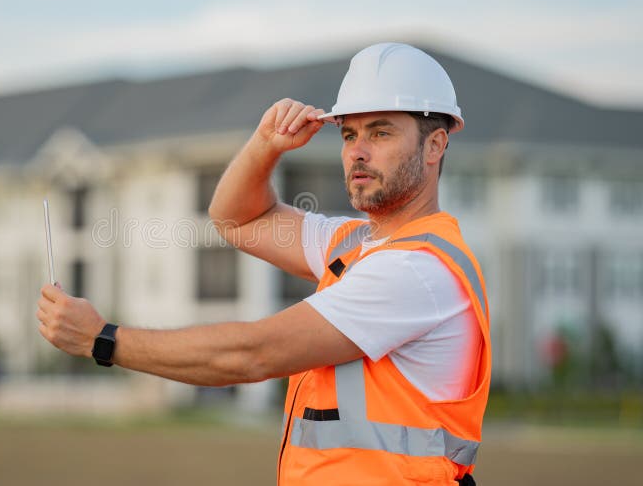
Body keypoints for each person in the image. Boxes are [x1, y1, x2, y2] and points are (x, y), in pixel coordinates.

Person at [36, 42, 491, 485]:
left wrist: (102, 339)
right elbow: (236, 219)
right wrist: (264, 146)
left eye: (381, 132)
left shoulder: (416, 269)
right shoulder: (355, 243)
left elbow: (252, 354)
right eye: (349, 134)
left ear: (435, 146)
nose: (357, 151)